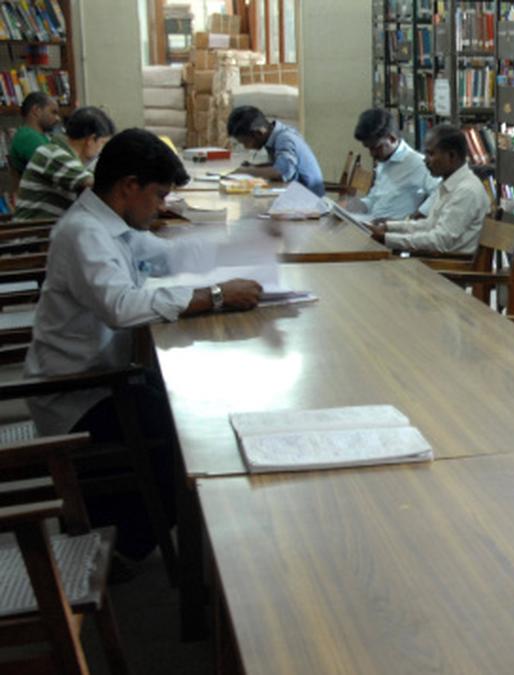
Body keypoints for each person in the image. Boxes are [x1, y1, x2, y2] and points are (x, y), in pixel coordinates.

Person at [25, 128, 263, 559]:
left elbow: (163, 254)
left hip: (104, 377)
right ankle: (124, 548)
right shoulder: (83, 233)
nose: (161, 207)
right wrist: (214, 295)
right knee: (191, 437)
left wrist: (240, 251)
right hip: (75, 395)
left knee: (190, 413)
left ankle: (139, 532)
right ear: (128, 186)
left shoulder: (109, 223)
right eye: (158, 195)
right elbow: (121, 306)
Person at [368, 123, 490, 254]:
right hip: (436, 260)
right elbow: (429, 225)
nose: (425, 160)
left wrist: (388, 239)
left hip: (450, 266)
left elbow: (440, 241)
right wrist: (389, 227)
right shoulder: (449, 184)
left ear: (451, 156)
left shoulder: (466, 191)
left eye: (431, 154)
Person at [15, 106, 114, 220]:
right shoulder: (51, 154)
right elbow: (97, 186)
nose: (103, 150)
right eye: (103, 143)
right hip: (33, 235)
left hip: (48, 233)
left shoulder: (77, 162)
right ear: (91, 140)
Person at [349, 107, 438, 220]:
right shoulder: (384, 163)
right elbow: (374, 199)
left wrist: (416, 217)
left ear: (392, 138)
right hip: (373, 223)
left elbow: (440, 191)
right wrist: (356, 205)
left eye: (376, 148)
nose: (372, 154)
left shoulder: (418, 164)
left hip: (394, 231)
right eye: (368, 148)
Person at [226, 105, 325, 196]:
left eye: (245, 142)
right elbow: (280, 164)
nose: (245, 147)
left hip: (309, 201)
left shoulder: (285, 139)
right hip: (296, 195)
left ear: (259, 133)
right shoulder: (277, 135)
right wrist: (254, 167)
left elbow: (281, 171)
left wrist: (246, 171)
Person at [9, 91, 60, 174]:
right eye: (53, 112)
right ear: (36, 110)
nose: (58, 118)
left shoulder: (37, 135)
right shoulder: (28, 137)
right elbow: (57, 170)